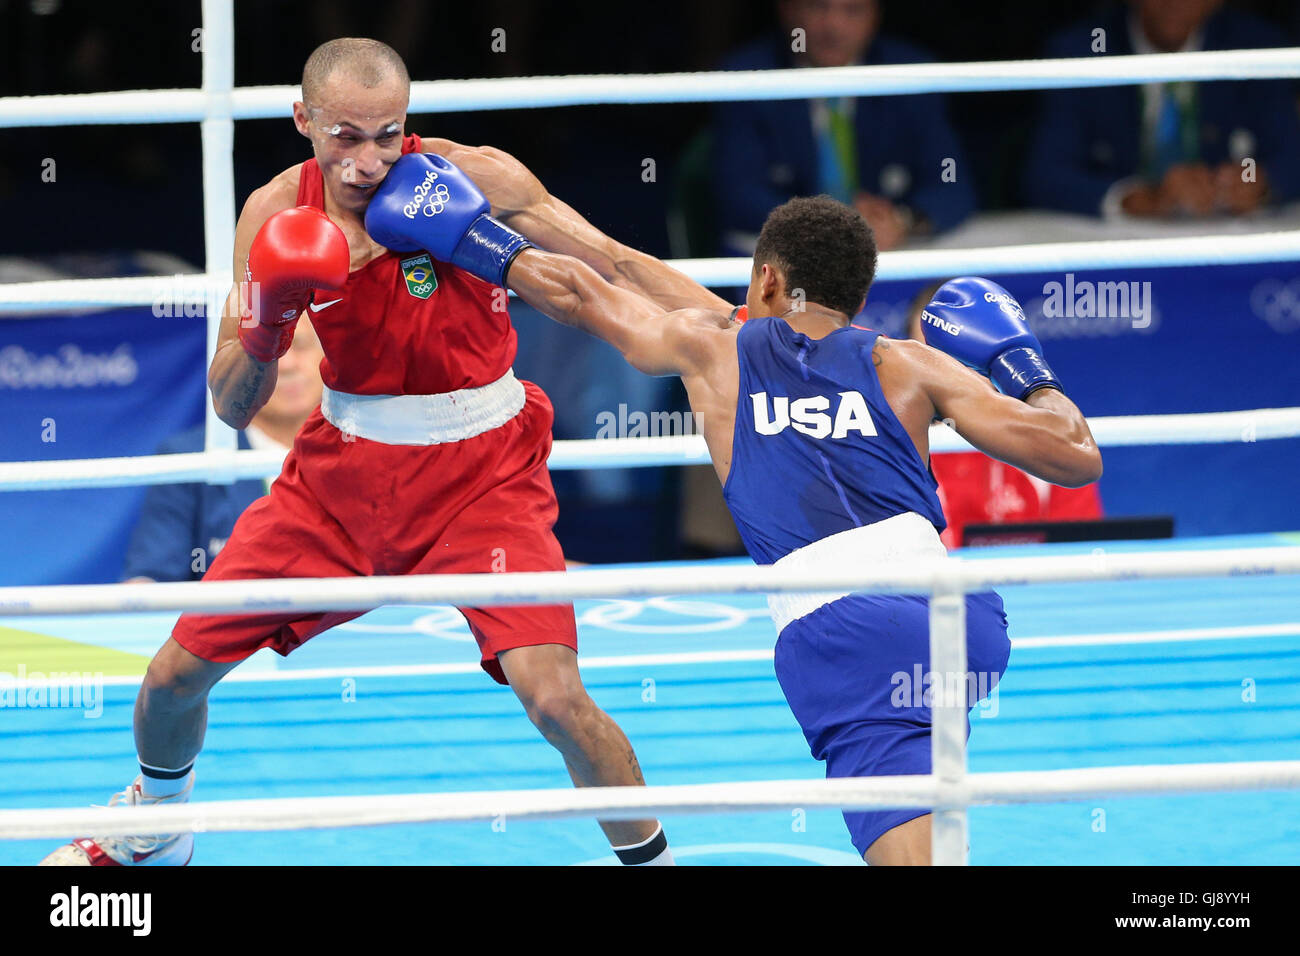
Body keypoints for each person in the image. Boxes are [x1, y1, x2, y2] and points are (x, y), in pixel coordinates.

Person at [41, 38, 670, 868]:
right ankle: (158, 823)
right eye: (346, 136)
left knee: (556, 700)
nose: (370, 160)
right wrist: (269, 320)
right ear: (303, 120)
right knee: (169, 680)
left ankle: (657, 862)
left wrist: (725, 330)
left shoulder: (472, 177)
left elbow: (609, 267)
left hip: (486, 473)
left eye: (388, 135)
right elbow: (233, 404)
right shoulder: (275, 213)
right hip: (343, 475)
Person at [370, 152, 1101, 863]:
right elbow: (1073, 454)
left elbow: (589, 290)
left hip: (848, 628)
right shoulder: (909, 363)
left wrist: (475, 238)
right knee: (930, 825)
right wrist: (1020, 362)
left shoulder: (717, 349)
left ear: (770, 278)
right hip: (959, 613)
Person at [711, 0, 974, 255]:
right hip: (796, 258)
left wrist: (903, 220)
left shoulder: (910, 74)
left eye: (853, 10)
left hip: (888, 254)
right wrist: (829, 226)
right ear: (786, 9)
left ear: (876, 15)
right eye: (817, 6)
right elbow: (738, 195)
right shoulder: (747, 77)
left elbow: (952, 182)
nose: (833, 26)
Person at [1023, 0, 1300, 219]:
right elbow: (1045, 173)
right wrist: (1136, 198)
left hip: (1225, 243)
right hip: (1122, 254)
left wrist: (1258, 182)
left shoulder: (1256, 48)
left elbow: (1289, 153)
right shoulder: (1083, 50)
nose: (1175, 1)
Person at [122, 319, 325, 583]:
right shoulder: (188, 458)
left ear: (329, 354)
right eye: (270, 351)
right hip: (237, 622)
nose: (286, 364)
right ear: (237, 369)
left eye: (299, 345)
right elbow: (149, 581)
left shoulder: (365, 448)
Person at [903, 286, 1103, 549]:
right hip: (930, 588)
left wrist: (1031, 378)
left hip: (1035, 587)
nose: (947, 373)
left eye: (958, 356)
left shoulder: (1045, 441)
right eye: (932, 358)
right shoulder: (896, 449)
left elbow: (1082, 550)